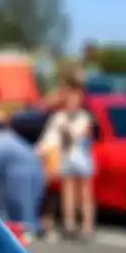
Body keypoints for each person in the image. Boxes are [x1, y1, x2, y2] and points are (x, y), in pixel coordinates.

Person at [36, 80, 95, 239]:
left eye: (75, 100)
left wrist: (66, 128)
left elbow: (77, 136)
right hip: (66, 158)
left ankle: (87, 226)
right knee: (67, 191)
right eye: (69, 100)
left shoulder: (84, 117)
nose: (72, 103)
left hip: (82, 159)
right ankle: (70, 224)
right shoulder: (59, 117)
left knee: (85, 193)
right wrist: (42, 150)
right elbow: (50, 136)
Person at [0, 106, 47, 242]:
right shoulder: (15, 140)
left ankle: (21, 229)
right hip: (31, 171)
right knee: (28, 203)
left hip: (15, 174)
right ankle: (28, 227)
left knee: (15, 203)